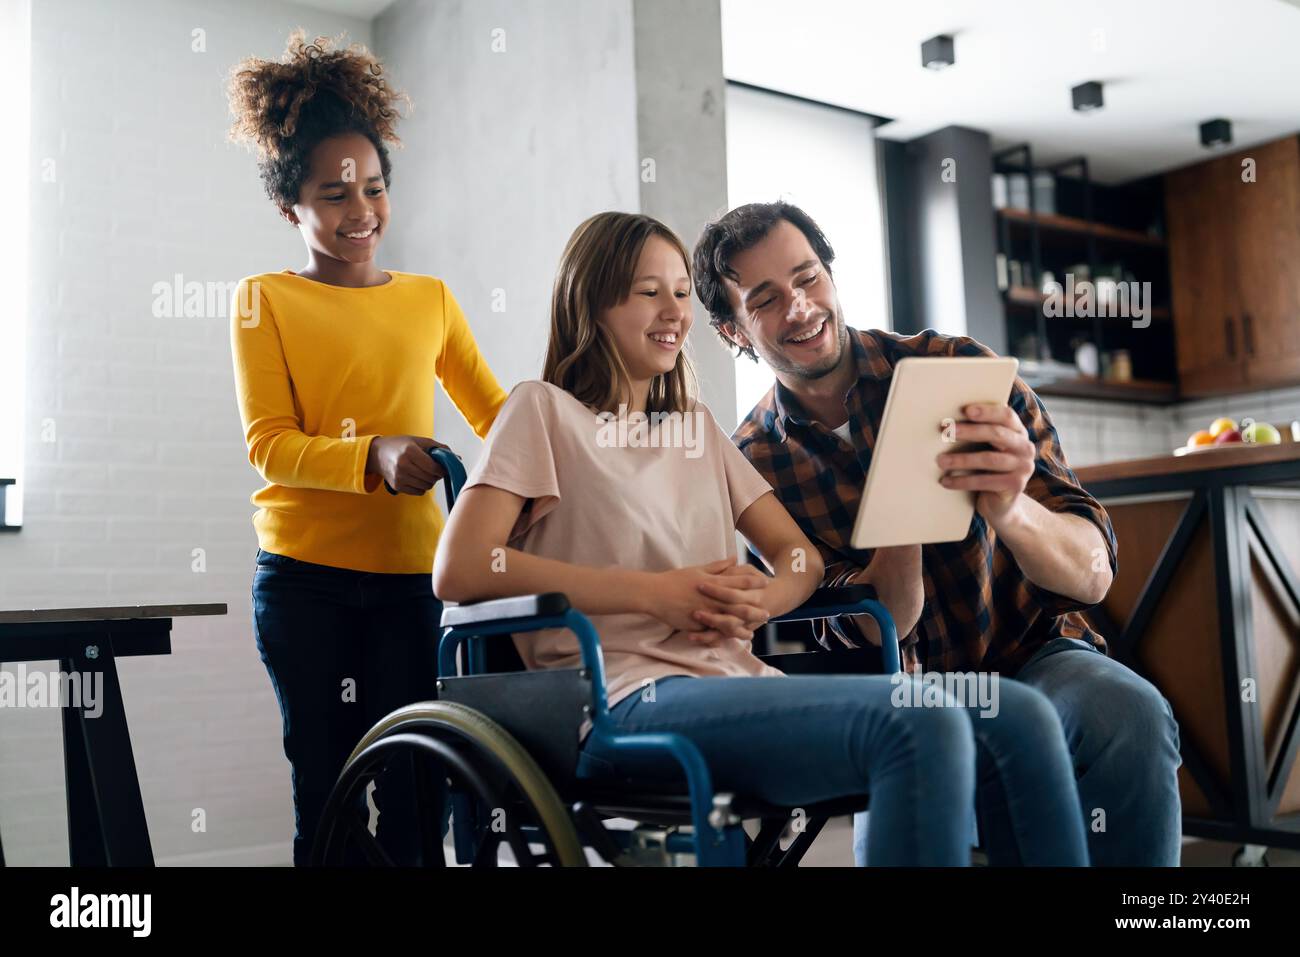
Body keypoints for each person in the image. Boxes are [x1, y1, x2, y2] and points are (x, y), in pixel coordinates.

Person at [433, 210, 1090, 866]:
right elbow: (460, 567)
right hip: (618, 698)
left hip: (738, 680)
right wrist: (653, 593)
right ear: (593, 302)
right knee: (920, 723)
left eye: (682, 293)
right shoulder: (540, 411)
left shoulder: (694, 428)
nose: (673, 311)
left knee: (1019, 717)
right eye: (647, 291)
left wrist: (765, 599)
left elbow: (796, 555)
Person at [692, 200, 1182, 866]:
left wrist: (1010, 507)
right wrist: (904, 497)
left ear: (832, 276)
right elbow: (878, 624)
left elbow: (1092, 573)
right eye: (768, 299)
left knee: (1130, 712)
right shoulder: (750, 460)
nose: (801, 306)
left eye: (809, 278)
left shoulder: (957, 368)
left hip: (1035, 655)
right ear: (732, 332)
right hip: (900, 691)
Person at [226, 31, 506, 865]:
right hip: (304, 586)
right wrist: (371, 454)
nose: (362, 212)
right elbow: (269, 446)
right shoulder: (260, 301)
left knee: (422, 791)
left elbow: (498, 417)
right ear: (292, 208)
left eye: (375, 188)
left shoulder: (431, 300)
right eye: (335, 194)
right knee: (330, 795)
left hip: (411, 585)